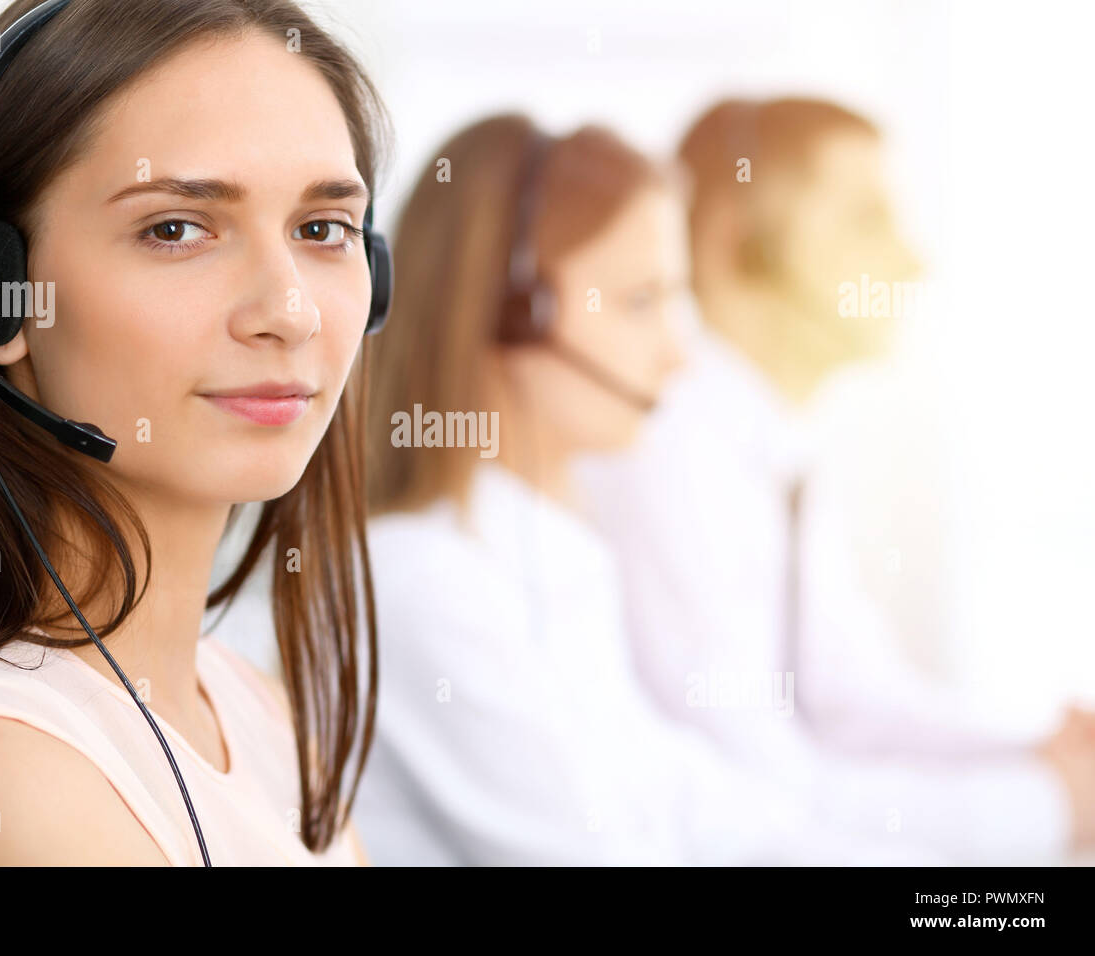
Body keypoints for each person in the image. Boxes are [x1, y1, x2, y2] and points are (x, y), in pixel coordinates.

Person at [0, 0, 392, 866]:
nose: (291, 311)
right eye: (175, 228)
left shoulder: (254, 712)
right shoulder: (1, 779)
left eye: (322, 230)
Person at [351, 113, 942, 865]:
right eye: (640, 303)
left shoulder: (558, 561)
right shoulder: (422, 584)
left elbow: (687, 800)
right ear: (511, 313)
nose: (679, 355)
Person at [572, 97, 1095, 863]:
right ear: (733, 241)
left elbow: (851, 699)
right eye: (865, 219)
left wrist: (1038, 750)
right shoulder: (670, 456)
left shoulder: (772, 445)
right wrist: (1051, 805)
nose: (914, 261)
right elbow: (765, 787)